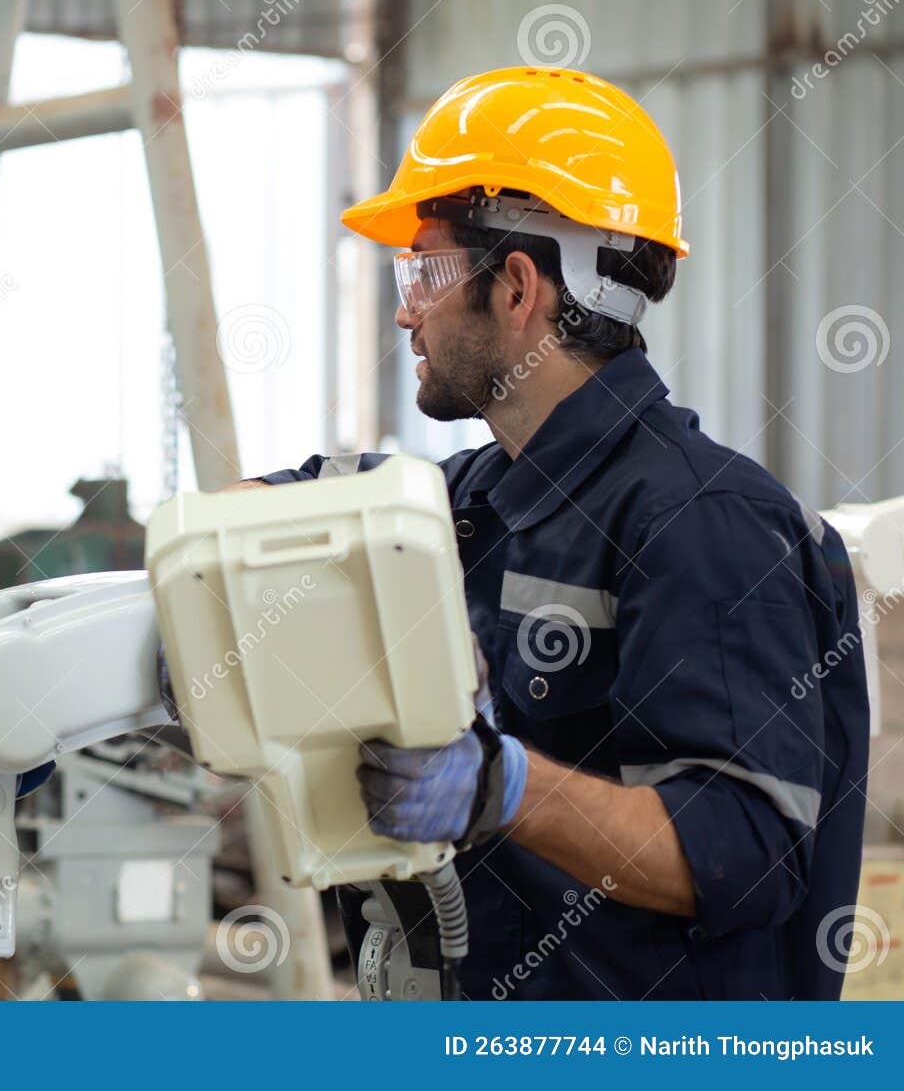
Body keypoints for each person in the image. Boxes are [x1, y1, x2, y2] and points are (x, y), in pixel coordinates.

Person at [252, 67, 869, 999]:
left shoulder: (703, 521)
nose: (404, 308)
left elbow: (747, 848)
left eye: (422, 269)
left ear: (517, 288)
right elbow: (285, 505)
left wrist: (504, 788)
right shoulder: (472, 498)